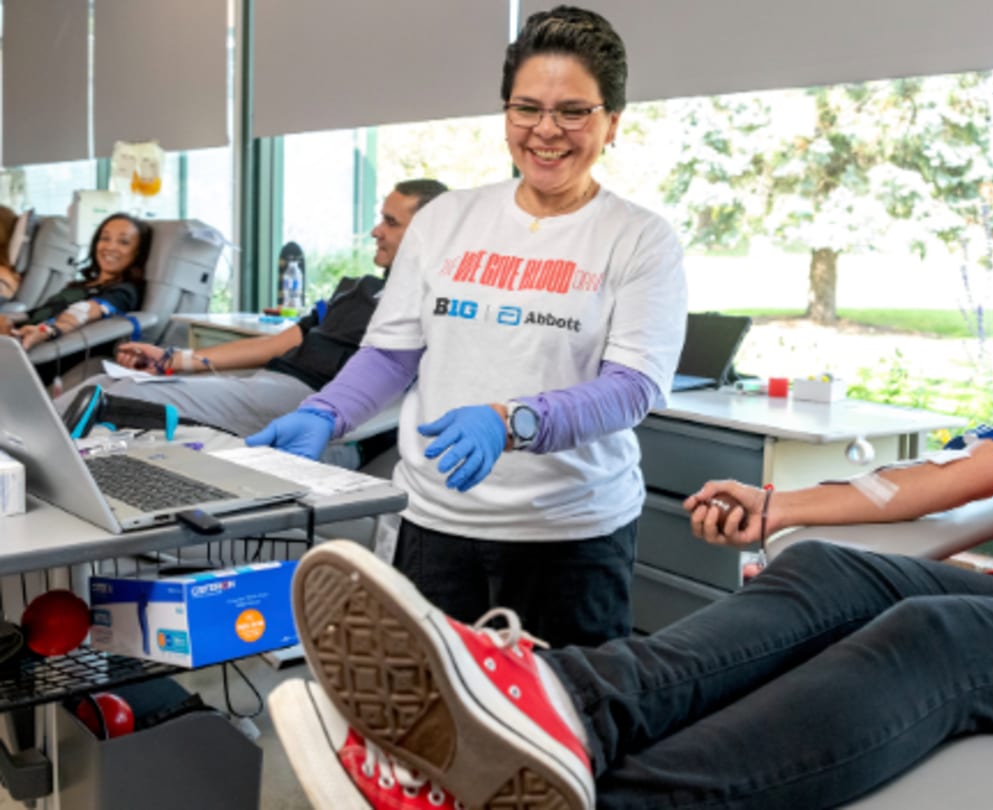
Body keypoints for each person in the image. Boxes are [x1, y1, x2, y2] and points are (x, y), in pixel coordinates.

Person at [269, 184, 993, 810]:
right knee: (831, 577)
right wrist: (788, 514)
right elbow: (940, 480)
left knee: (940, 624)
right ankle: (556, 707)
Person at [248, 6, 687, 647]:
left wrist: (512, 421)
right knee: (432, 722)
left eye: (573, 111)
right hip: (433, 525)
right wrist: (327, 413)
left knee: (562, 729)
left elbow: (633, 388)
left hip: (568, 536)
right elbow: (393, 355)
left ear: (612, 122)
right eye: (526, 108)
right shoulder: (447, 219)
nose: (546, 131)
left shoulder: (640, 239)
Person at [52, 179, 449, 440]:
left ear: (425, 232)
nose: (376, 230)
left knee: (112, 400)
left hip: (309, 399)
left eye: (390, 222)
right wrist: (173, 359)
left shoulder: (426, 302)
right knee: (99, 387)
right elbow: (279, 344)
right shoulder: (358, 288)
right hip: (265, 381)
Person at [1, 214, 152, 377]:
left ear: (137, 252)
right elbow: (42, 312)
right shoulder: (80, 285)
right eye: (105, 238)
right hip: (18, 348)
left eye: (123, 242)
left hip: (46, 358)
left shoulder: (125, 291)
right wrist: (8, 320)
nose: (110, 247)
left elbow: (85, 311)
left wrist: (50, 330)